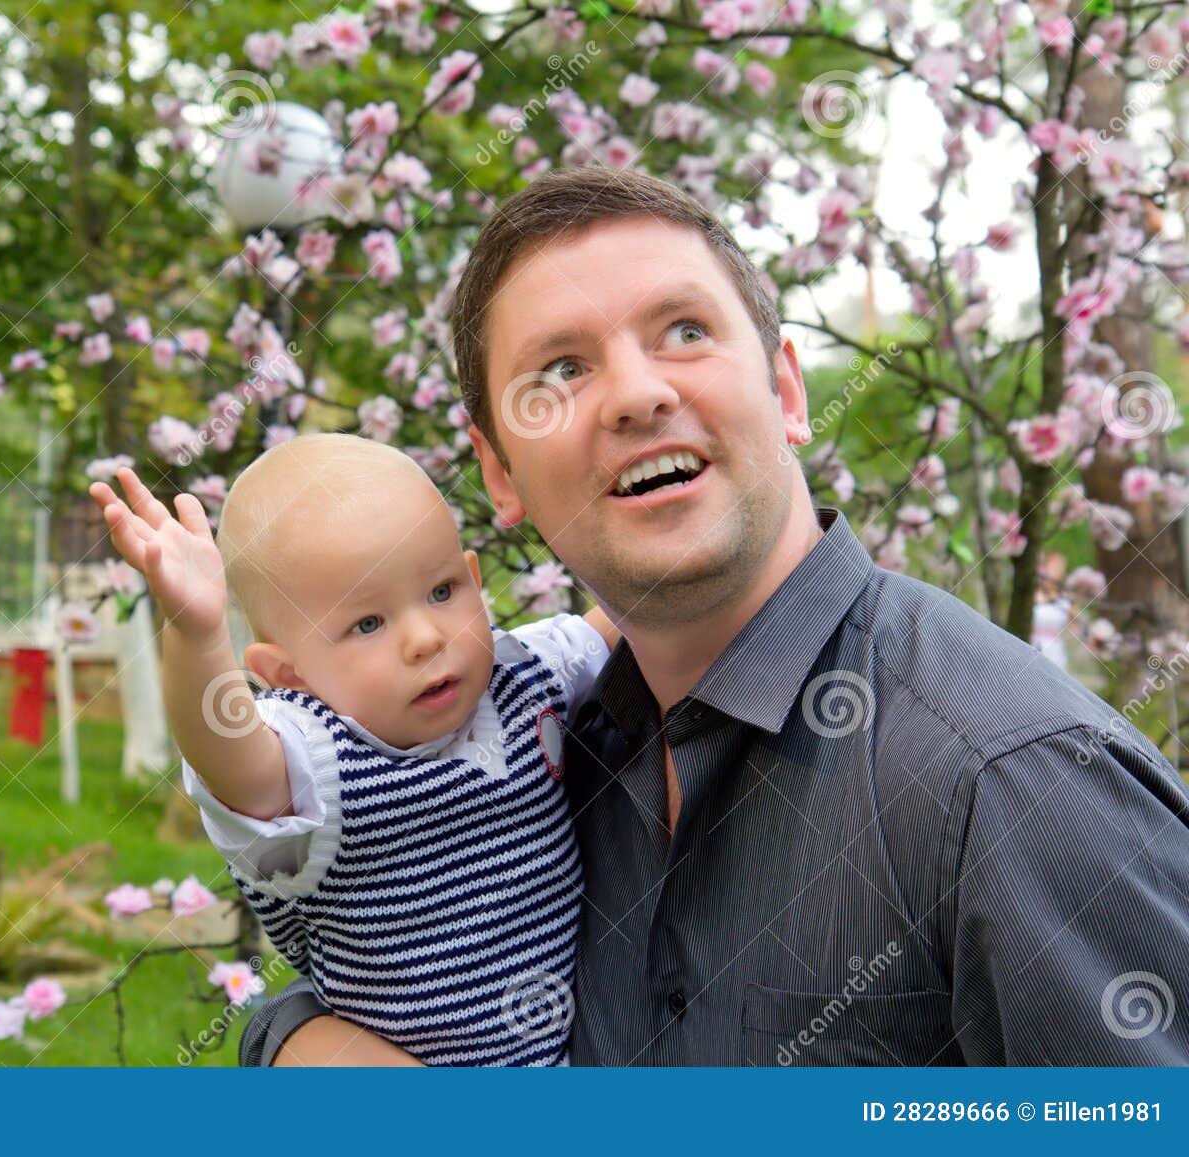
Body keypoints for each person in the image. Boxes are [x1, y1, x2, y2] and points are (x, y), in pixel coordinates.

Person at [242, 165, 1189, 1066]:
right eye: (561, 370)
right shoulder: (540, 737)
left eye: (685, 331)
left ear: (784, 390)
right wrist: (288, 1041)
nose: (638, 393)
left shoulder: (1012, 783)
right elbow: (381, 951)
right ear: (500, 475)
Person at [87, 434, 618, 1065]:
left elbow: (633, 610)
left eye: (443, 591)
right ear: (289, 676)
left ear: (475, 578)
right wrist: (197, 637)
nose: (425, 637)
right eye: (367, 624)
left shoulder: (527, 670)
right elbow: (224, 753)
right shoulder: (315, 764)